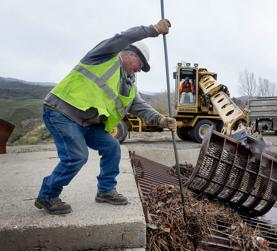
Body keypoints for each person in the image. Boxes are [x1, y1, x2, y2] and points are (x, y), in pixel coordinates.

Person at [35, 19, 176, 215]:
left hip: (87, 123)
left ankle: (106, 191)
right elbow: (125, 36)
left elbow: (140, 106)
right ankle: (48, 195)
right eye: (140, 64)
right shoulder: (104, 55)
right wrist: (153, 30)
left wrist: (161, 119)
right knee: (77, 156)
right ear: (129, 53)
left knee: (112, 147)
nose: (139, 70)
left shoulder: (128, 83)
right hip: (62, 111)